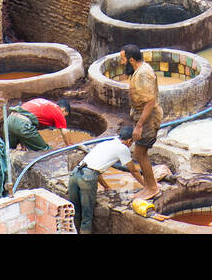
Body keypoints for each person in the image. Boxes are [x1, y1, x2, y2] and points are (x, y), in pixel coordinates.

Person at [67, 126, 143, 234]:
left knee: (74, 211)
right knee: (87, 216)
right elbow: (134, 171)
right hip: (87, 179)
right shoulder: (123, 148)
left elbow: (95, 169)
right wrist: (146, 185)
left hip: (75, 174)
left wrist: (106, 186)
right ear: (129, 141)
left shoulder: (106, 143)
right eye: (132, 143)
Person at [121, 44, 161, 199]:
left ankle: (152, 188)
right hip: (144, 117)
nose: (122, 62)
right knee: (140, 152)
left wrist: (139, 125)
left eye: (123, 59)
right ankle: (150, 186)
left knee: (140, 152)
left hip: (148, 119)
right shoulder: (138, 71)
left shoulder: (143, 74)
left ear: (131, 59)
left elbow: (150, 101)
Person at [6, 97, 73, 151]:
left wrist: (23, 144)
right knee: (46, 152)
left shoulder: (42, 102)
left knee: (9, 151)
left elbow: (21, 118)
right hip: (23, 124)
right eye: (65, 115)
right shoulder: (58, 111)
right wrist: (71, 147)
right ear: (64, 109)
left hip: (10, 120)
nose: (64, 117)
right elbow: (65, 132)